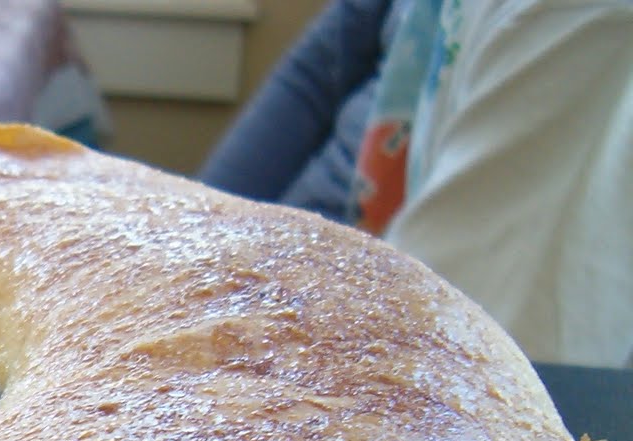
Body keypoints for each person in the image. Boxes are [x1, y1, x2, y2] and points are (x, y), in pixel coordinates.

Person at [200, 0, 633, 368]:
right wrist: (209, 252)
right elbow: (321, 67)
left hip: (371, 334)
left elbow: (457, 367)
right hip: (308, 264)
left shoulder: (580, 23)